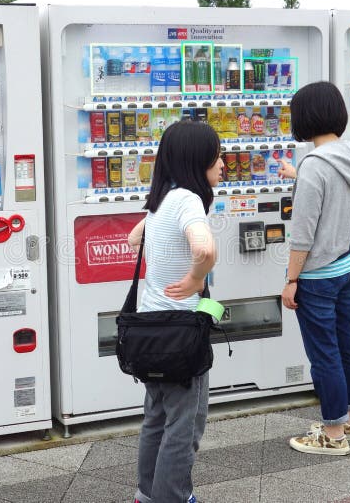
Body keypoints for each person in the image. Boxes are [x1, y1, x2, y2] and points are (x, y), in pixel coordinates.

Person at [127, 120, 224, 503]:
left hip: (150, 329)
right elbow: (205, 249)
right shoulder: (188, 200)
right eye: (216, 154)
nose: (223, 163)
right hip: (182, 335)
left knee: (156, 419)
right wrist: (195, 278)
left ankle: (147, 495)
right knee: (185, 427)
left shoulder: (162, 198)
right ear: (196, 159)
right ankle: (173, 498)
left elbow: (133, 237)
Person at [278, 81, 350, 456]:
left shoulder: (314, 166)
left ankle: (332, 435)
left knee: (324, 354)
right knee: (348, 343)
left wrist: (291, 280)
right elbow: (332, 189)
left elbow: (302, 235)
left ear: (304, 117)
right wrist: (296, 175)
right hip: (349, 264)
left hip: (318, 276)